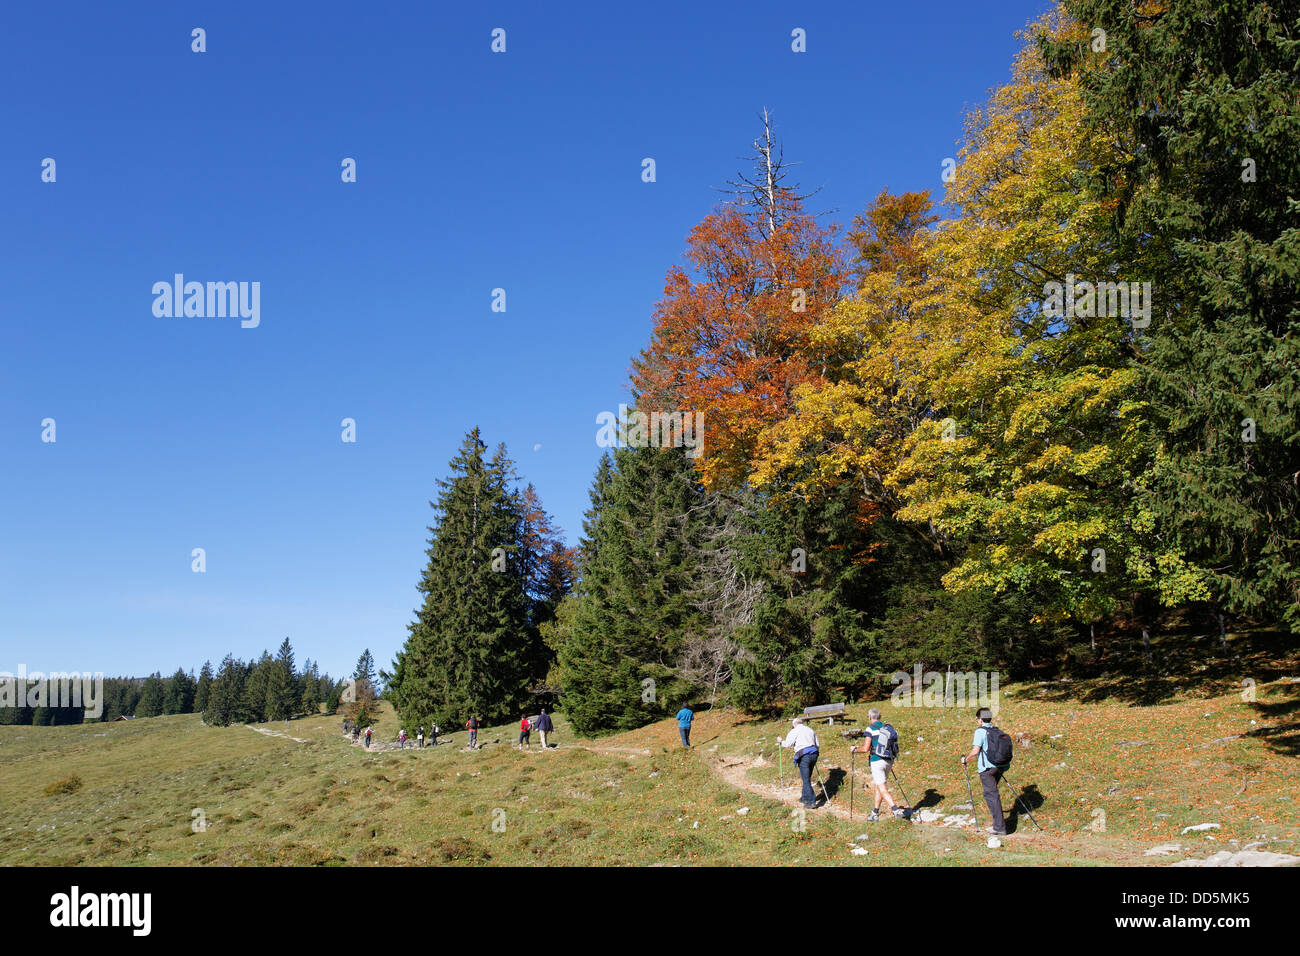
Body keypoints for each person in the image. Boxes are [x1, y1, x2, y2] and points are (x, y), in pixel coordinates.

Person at [851, 707, 908, 821]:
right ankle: (875, 813)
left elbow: (866, 748)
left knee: (882, 787)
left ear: (870, 717)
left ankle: (895, 809)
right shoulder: (886, 728)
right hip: (888, 760)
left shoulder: (870, 729)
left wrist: (854, 749)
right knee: (879, 786)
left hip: (877, 760)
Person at [963, 707, 1007, 835]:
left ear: (981, 719)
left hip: (986, 769)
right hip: (998, 766)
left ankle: (999, 827)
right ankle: (998, 825)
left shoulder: (980, 731)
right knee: (993, 794)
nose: (977, 721)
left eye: (977, 719)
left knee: (991, 795)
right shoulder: (996, 730)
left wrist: (965, 760)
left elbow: (976, 751)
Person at [779, 717, 821, 809]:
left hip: (804, 755)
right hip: (814, 754)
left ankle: (810, 802)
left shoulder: (794, 731)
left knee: (805, 779)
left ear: (794, 724)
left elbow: (788, 744)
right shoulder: (810, 730)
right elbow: (817, 744)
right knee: (807, 777)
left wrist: (780, 742)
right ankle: (804, 797)